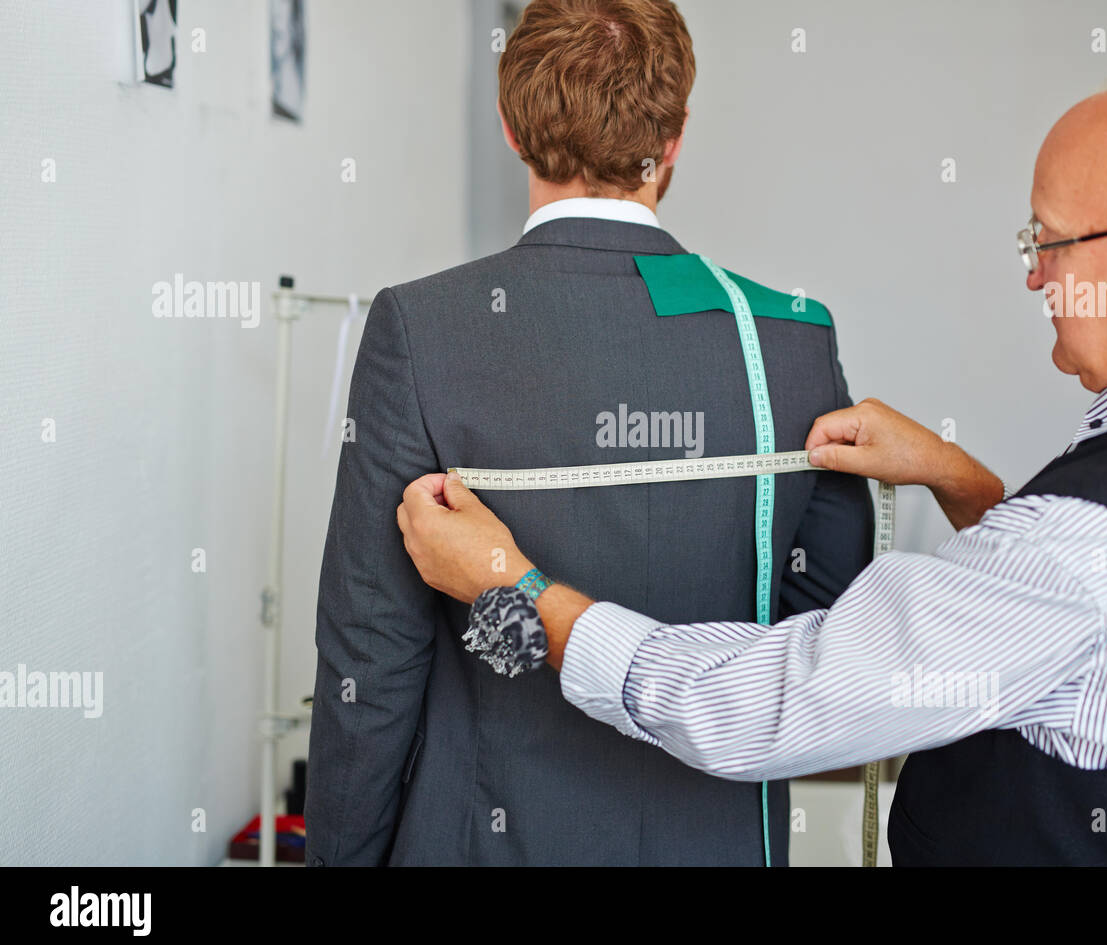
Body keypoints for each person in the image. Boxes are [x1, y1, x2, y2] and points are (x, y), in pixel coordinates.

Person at [398, 58, 1107, 865]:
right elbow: (1092, 652)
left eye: (1050, 242)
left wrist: (508, 587)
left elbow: (765, 707)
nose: (1034, 276)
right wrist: (962, 479)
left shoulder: (1078, 553)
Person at [304, 0, 874, 866]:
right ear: (676, 134)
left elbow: (369, 656)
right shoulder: (792, 338)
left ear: (510, 126)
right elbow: (825, 617)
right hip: (715, 840)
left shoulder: (423, 328)